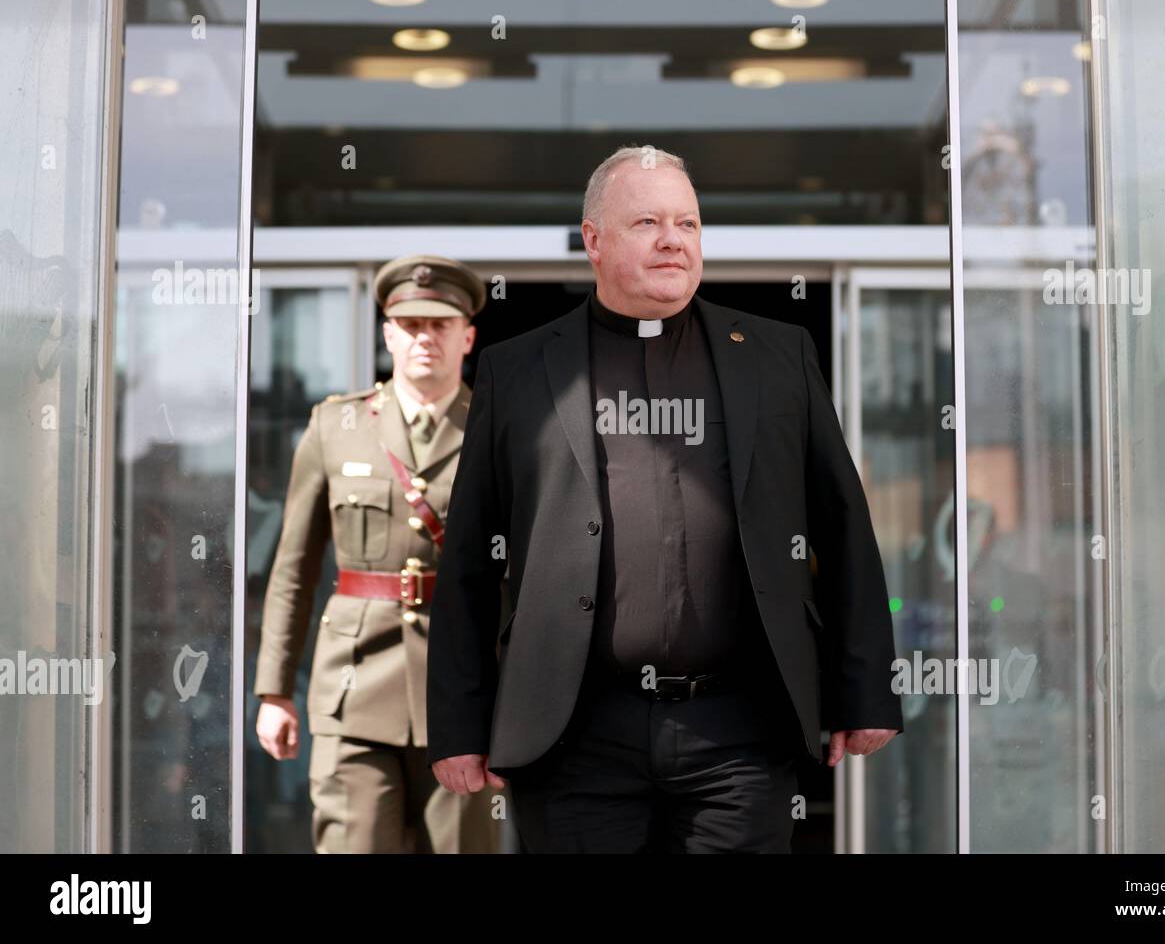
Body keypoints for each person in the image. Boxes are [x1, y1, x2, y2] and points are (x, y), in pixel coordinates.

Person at [427, 147, 903, 853]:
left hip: (741, 731)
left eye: (688, 222)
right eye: (647, 221)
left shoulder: (777, 354)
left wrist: (863, 691)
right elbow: (467, 557)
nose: (674, 239)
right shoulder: (518, 369)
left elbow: (842, 526)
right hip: (574, 734)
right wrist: (460, 726)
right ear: (594, 240)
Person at [254, 254, 497, 853]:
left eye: (439, 324)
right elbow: (294, 568)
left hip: (464, 694)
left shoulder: (500, 426)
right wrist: (274, 691)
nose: (424, 338)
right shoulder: (334, 426)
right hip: (354, 688)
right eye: (410, 324)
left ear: (467, 335)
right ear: (387, 333)